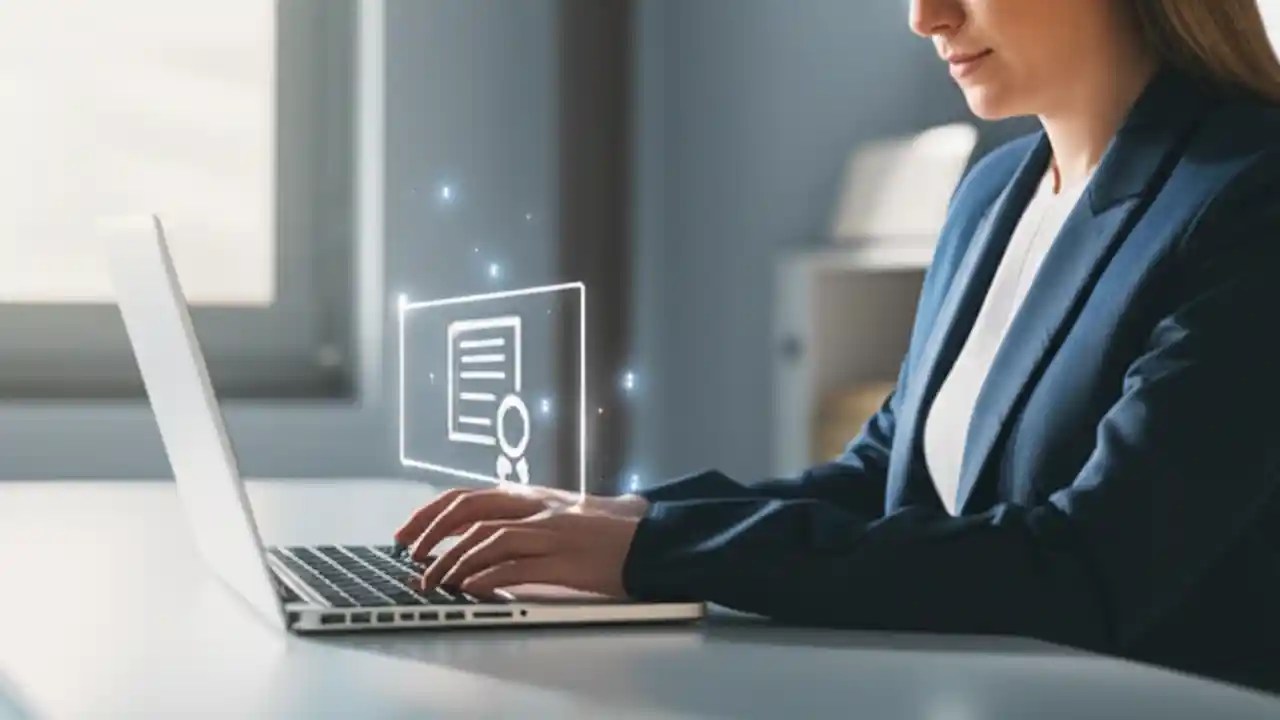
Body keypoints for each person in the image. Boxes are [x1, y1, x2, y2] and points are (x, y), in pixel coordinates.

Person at [394, 0, 1280, 688]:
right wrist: (622, 520)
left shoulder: (1249, 197)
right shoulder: (994, 193)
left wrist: (657, 554)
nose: (923, 16)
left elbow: (1088, 568)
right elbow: (883, 481)